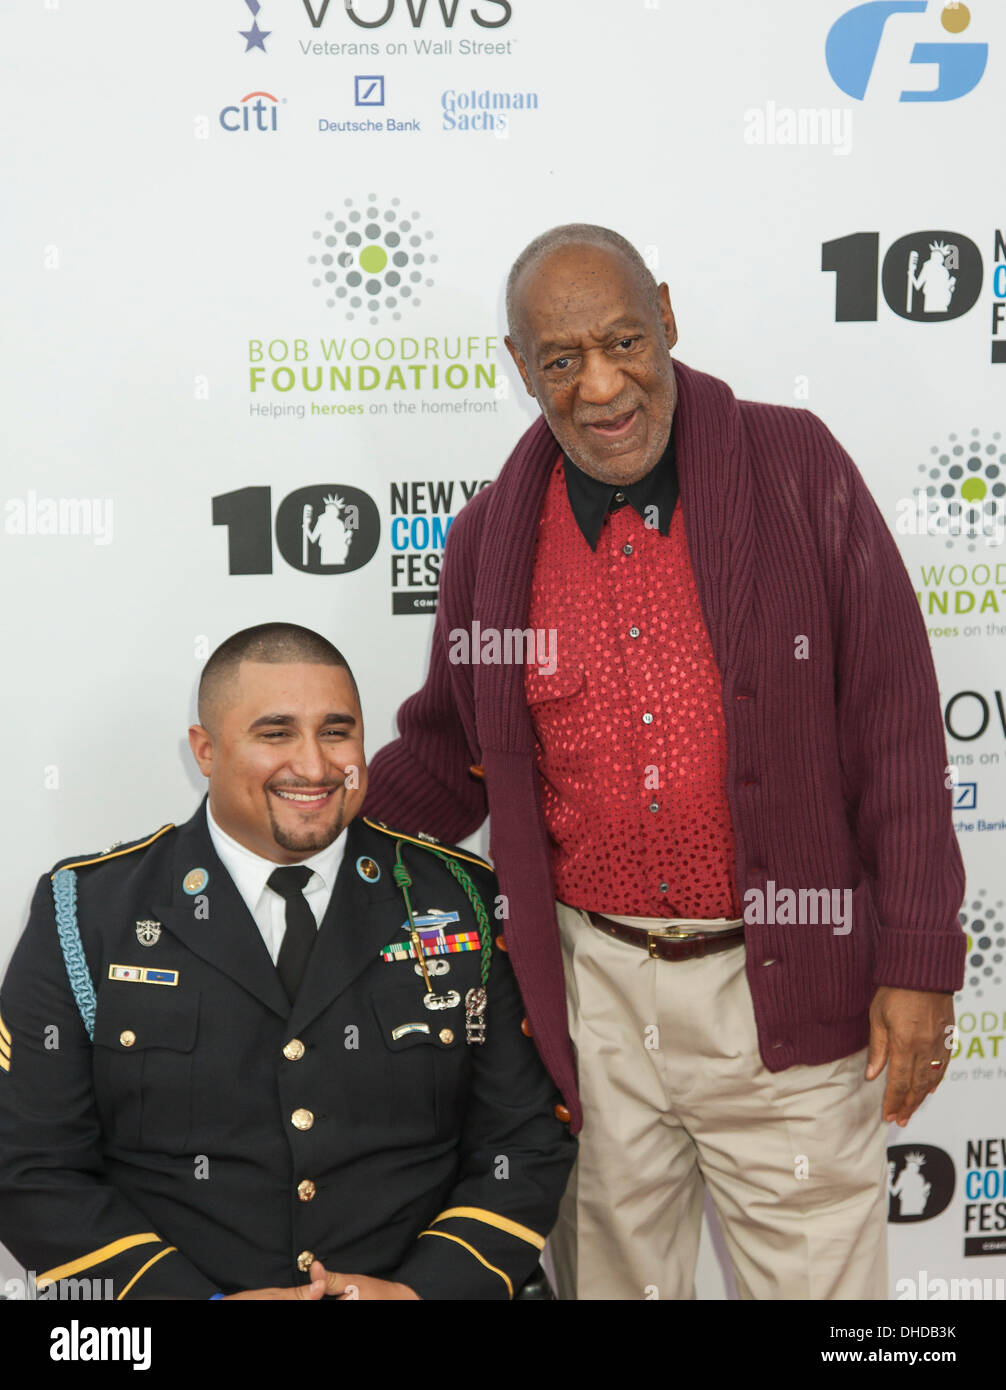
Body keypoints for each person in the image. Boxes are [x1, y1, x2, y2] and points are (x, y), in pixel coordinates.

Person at [363, 224, 967, 1300]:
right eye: (561, 360)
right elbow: (449, 754)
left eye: (622, 342)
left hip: (781, 983)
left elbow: (894, 723)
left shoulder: (796, 467)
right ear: (520, 369)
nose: (601, 386)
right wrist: (313, 818)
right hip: (591, 1002)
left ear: (668, 318)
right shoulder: (488, 540)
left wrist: (918, 959)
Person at [0, 623, 575, 1300]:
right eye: (276, 733)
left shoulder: (464, 899)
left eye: (337, 731)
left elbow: (522, 1141)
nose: (314, 766)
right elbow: (32, 1168)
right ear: (205, 750)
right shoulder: (87, 912)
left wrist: (424, 1292)